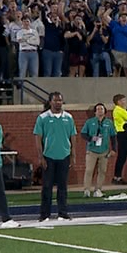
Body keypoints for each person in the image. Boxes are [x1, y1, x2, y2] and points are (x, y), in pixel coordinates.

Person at [35, 92, 76, 222]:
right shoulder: (43, 118)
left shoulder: (68, 117)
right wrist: (41, 157)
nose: (58, 103)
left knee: (63, 186)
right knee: (47, 186)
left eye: (60, 100)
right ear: (50, 102)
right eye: (55, 100)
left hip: (64, 155)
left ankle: (62, 213)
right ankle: (44, 214)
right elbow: (38, 137)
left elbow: (73, 136)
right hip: (49, 156)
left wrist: (73, 155)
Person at [79, 103, 115, 198]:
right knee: (89, 170)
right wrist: (91, 138)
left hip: (104, 150)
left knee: (102, 171)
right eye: (98, 109)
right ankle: (87, 189)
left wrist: (114, 149)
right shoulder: (89, 122)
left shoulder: (109, 122)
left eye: (102, 109)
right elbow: (83, 134)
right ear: (95, 111)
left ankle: (98, 189)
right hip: (92, 150)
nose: (100, 111)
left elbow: (113, 136)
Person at [111, 93, 127, 185]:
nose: (125, 102)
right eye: (123, 100)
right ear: (118, 101)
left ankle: (118, 176)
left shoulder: (120, 110)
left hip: (123, 134)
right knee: (122, 156)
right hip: (122, 134)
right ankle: (117, 177)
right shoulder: (119, 110)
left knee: (123, 157)